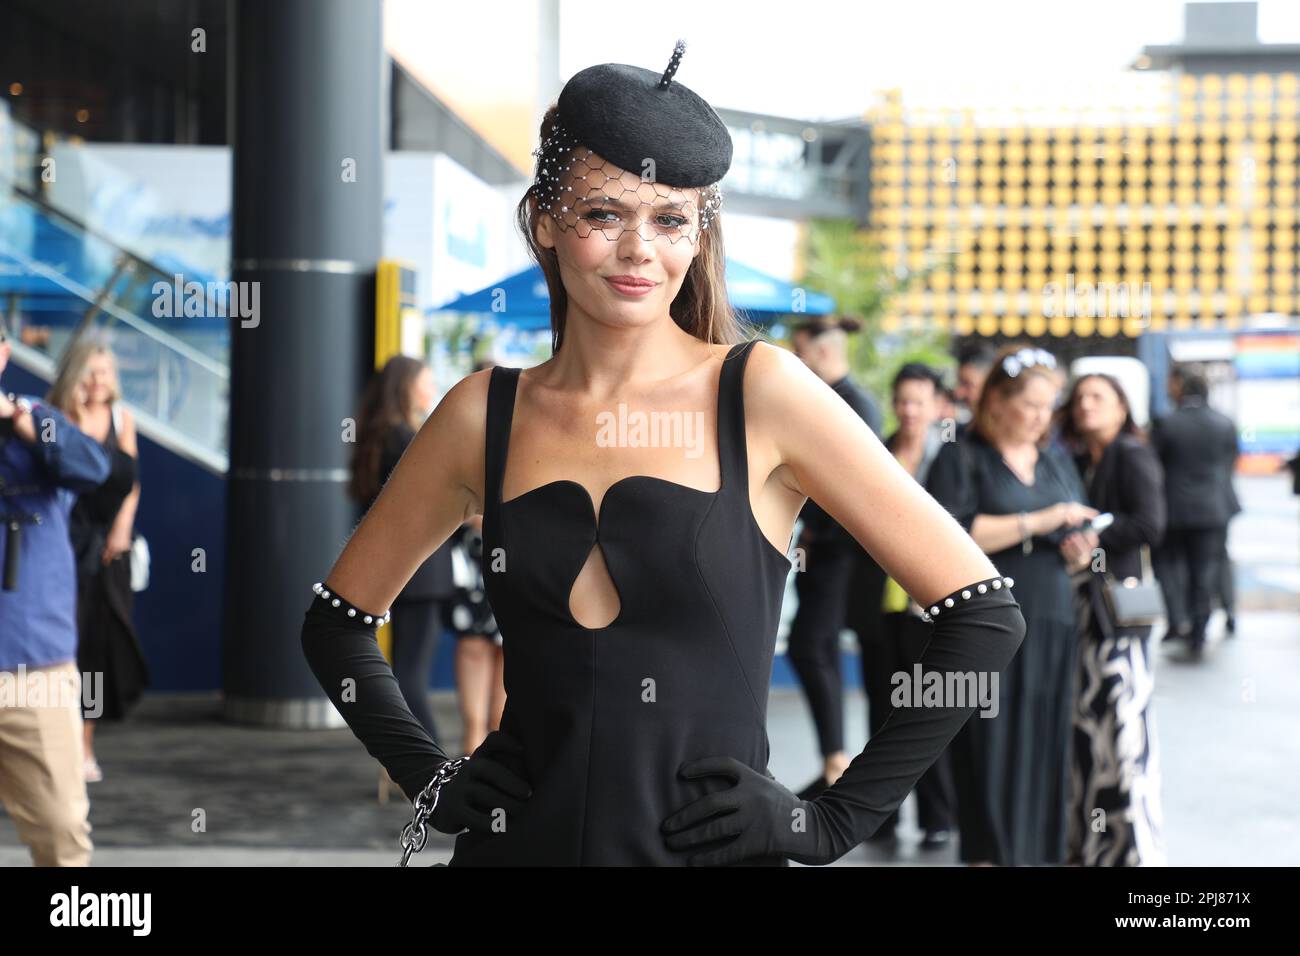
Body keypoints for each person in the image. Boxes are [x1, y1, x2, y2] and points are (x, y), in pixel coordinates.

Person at [300, 42, 1025, 866]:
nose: (641, 248)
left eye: (670, 219)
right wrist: (429, 775)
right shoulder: (482, 412)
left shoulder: (761, 393)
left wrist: (830, 821)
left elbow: (983, 613)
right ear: (546, 219)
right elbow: (338, 624)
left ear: (695, 236)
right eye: (605, 214)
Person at [925, 344, 1096, 867]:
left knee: (1045, 741)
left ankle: (1038, 855)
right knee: (989, 744)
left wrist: (1079, 548)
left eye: (1050, 406)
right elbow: (949, 532)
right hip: (988, 624)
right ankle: (989, 855)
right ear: (997, 401)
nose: (1043, 417)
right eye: (1032, 404)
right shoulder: (962, 455)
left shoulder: (1054, 459)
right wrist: (1041, 521)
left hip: (1052, 616)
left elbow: (1074, 531)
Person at [0, 318, 110, 865]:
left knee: (62, 830)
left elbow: (92, 467)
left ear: (2, 353)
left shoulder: (36, 420)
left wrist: (21, 421)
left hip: (32, 669)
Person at [1059, 373, 1167, 866]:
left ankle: (1133, 852)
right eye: (1080, 398)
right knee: (1088, 728)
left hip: (1121, 613)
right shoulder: (1078, 460)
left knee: (1125, 732)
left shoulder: (1131, 453)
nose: (1086, 406)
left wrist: (1094, 533)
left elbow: (1151, 524)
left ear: (1122, 407)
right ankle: (1092, 846)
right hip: (1086, 612)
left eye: (1098, 397)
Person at [853, 363, 956, 848]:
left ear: (938, 405)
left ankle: (939, 816)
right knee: (881, 714)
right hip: (882, 605)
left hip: (930, 609)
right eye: (902, 400)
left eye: (919, 401)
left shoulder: (952, 456)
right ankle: (883, 817)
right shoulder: (879, 451)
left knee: (925, 716)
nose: (909, 410)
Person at [785, 314, 884, 802]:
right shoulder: (833, 399)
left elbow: (854, 486)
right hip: (824, 550)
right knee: (813, 646)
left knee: (810, 644)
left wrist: (817, 535)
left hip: (841, 554)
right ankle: (834, 760)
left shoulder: (854, 403)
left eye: (801, 352)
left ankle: (836, 762)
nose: (798, 362)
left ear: (821, 352)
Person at [47, 336, 148, 783]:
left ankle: (84, 745)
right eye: (89, 371)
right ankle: (56, 744)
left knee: (96, 651)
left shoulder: (122, 418)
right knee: (61, 650)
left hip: (109, 552)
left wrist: (121, 530)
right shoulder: (56, 415)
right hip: (63, 545)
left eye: (104, 372)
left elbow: (132, 483)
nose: (96, 381)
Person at [348, 355, 458, 745]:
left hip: (395, 570)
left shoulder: (377, 437)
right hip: (421, 572)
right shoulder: (407, 440)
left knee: (401, 670)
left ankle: (402, 761)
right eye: (426, 381)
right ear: (406, 386)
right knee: (411, 674)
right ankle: (430, 766)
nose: (431, 390)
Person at [1150, 365, 1240, 659]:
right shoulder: (1224, 423)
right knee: (1206, 568)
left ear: (1180, 387)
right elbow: (1229, 464)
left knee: (1168, 565)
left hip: (1173, 509)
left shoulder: (1166, 423)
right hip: (1214, 509)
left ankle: (1179, 620)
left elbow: (1153, 467)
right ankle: (1200, 627)